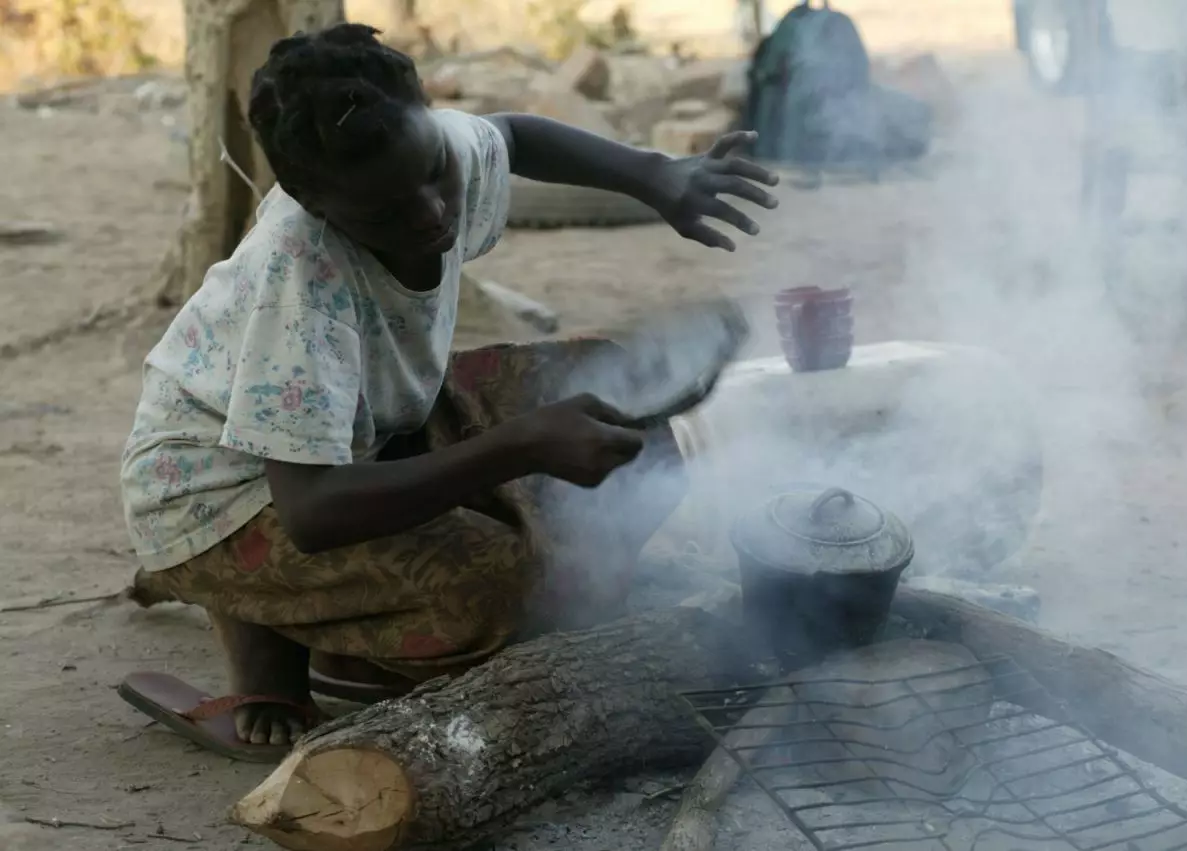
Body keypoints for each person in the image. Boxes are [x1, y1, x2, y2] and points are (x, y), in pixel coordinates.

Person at [117, 23, 779, 762]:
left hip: (366, 427)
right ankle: (268, 626)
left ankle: (345, 616)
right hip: (229, 493)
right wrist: (517, 447)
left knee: (619, 389)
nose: (431, 212)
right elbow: (310, 508)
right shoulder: (300, 284)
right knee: (502, 592)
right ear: (315, 204)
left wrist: (655, 175)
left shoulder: (414, 151)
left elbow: (514, 137)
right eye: (386, 212)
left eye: (436, 173)